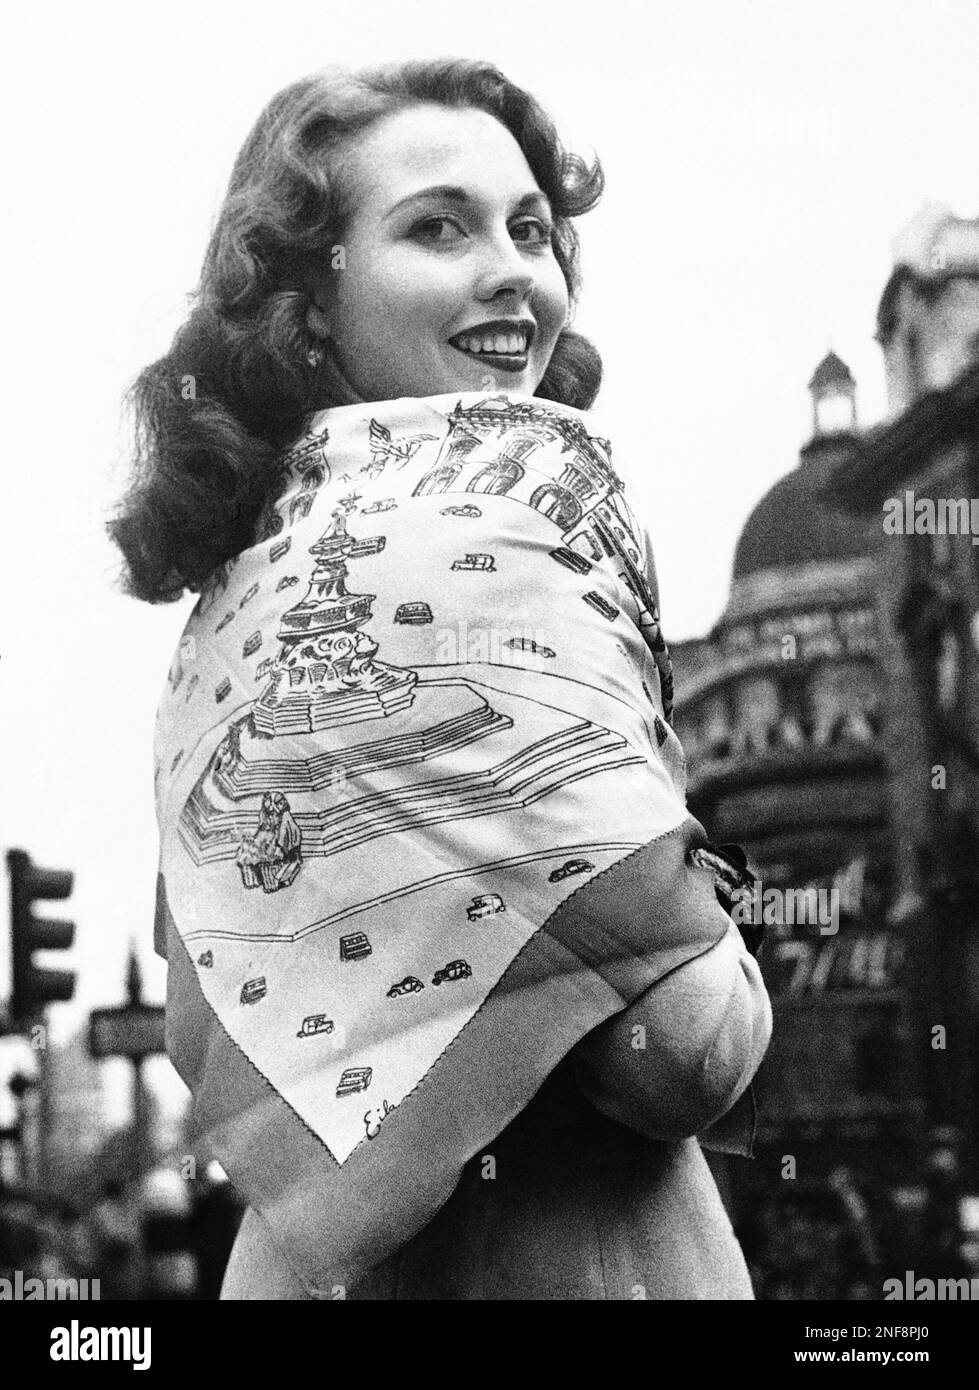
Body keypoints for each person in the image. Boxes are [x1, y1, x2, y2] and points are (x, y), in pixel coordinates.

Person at [110, 58, 772, 1300]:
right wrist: (717, 935)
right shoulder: (511, 538)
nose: (516, 269)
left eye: (532, 229)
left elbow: (221, 1034)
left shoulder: (228, 617)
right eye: (437, 227)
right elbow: (682, 1051)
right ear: (310, 302)